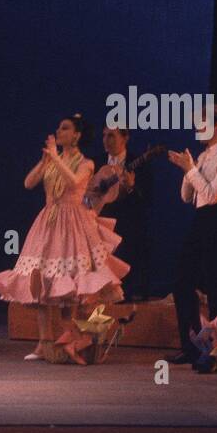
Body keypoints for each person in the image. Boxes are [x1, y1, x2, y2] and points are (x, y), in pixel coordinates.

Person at [0, 114, 128, 361]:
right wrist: (45, 161)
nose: (59, 132)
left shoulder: (87, 163)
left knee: (70, 287)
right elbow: (28, 183)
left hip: (73, 223)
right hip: (48, 222)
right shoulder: (52, 160)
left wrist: (55, 158)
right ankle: (43, 343)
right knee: (40, 282)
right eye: (59, 128)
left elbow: (75, 183)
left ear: (76, 135)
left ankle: (69, 340)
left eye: (65, 129)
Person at [166, 104, 217, 368]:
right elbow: (187, 197)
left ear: (216, 125)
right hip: (201, 220)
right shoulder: (204, 155)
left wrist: (191, 170)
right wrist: (187, 169)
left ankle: (215, 351)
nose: (197, 127)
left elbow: (212, 196)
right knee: (181, 281)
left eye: (201, 121)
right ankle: (191, 346)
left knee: (215, 285)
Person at [91, 126, 153, 301]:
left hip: (128, 228)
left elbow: (147, 200)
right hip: (100, 225)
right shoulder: (96, 163)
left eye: (111, 135)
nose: (106, 140)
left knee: (125, 280)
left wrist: (131, 187)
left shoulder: (138, 163)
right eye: (104, 135)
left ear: (125, 138)